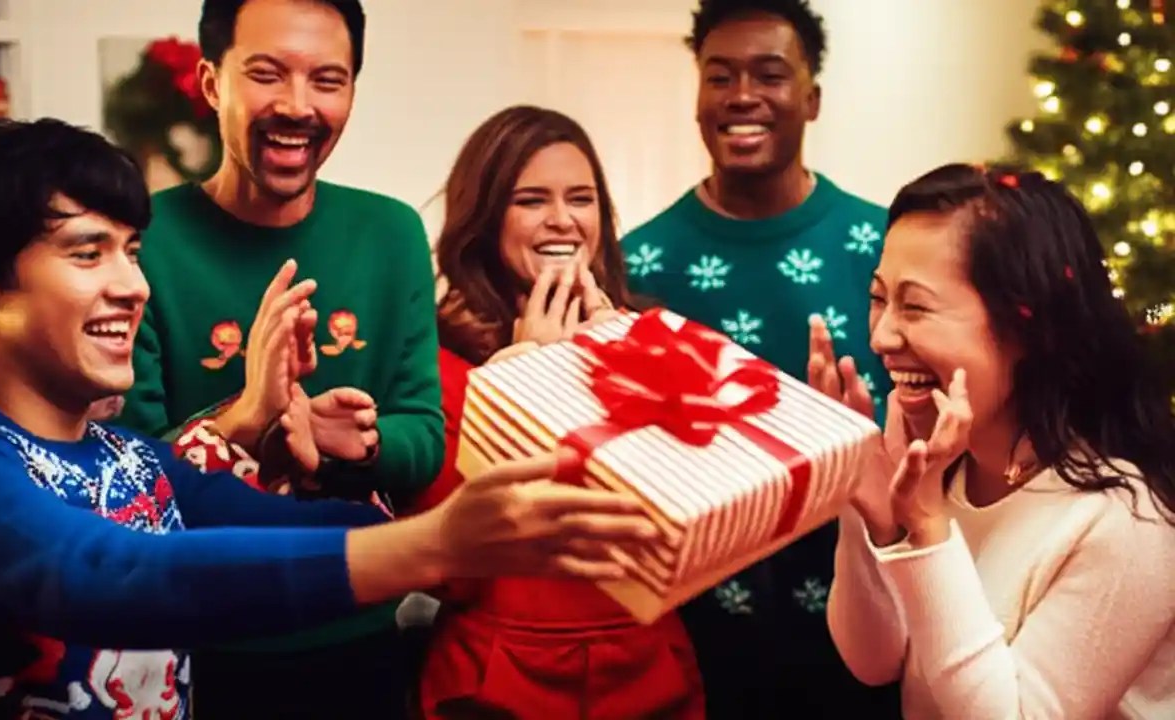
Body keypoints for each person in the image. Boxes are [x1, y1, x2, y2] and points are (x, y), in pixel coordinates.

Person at [0, 117, 661, 719]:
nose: (133, 285)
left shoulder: (129, 458)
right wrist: (435, 544)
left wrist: (483, 535)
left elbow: (293, 532)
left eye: (133, 251)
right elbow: (106, 572)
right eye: (88, 253)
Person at [115, 0, 445, 714]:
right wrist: (246, 415)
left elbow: (423, 433)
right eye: (267, 75)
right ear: (211, 83)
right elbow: (127, 470)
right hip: (202, 642)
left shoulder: (391, 233)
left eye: (328, 80)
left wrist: (356, 441)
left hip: (361, 627)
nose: (298, 106)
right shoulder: (144, 240)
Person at [815, 163, 1175, 718]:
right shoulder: (940, 461)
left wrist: (929, 527)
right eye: (878, 298)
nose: (881, 336)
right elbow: (874, 660)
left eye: (915, 306)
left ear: (1028, 326)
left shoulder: (1127, 517)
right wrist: (868, 513)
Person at [620, 0, 896, 714]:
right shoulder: (637, 267)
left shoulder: (885, 248)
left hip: (869, 632)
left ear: (812, 98)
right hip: (693, 649)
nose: (743, 96)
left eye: (769, 75)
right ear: (698, 98)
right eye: (720, 77)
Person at [410, 105, 705, 719]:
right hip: (499, 679)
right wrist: (530, 381)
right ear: (486, 217)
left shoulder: (653, 338)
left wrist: (619, 362)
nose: (563, 220)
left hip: (649, 671)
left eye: (581, 198)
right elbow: (448, 566)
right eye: (530, 200)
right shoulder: (437, 363)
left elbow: (695, 525)